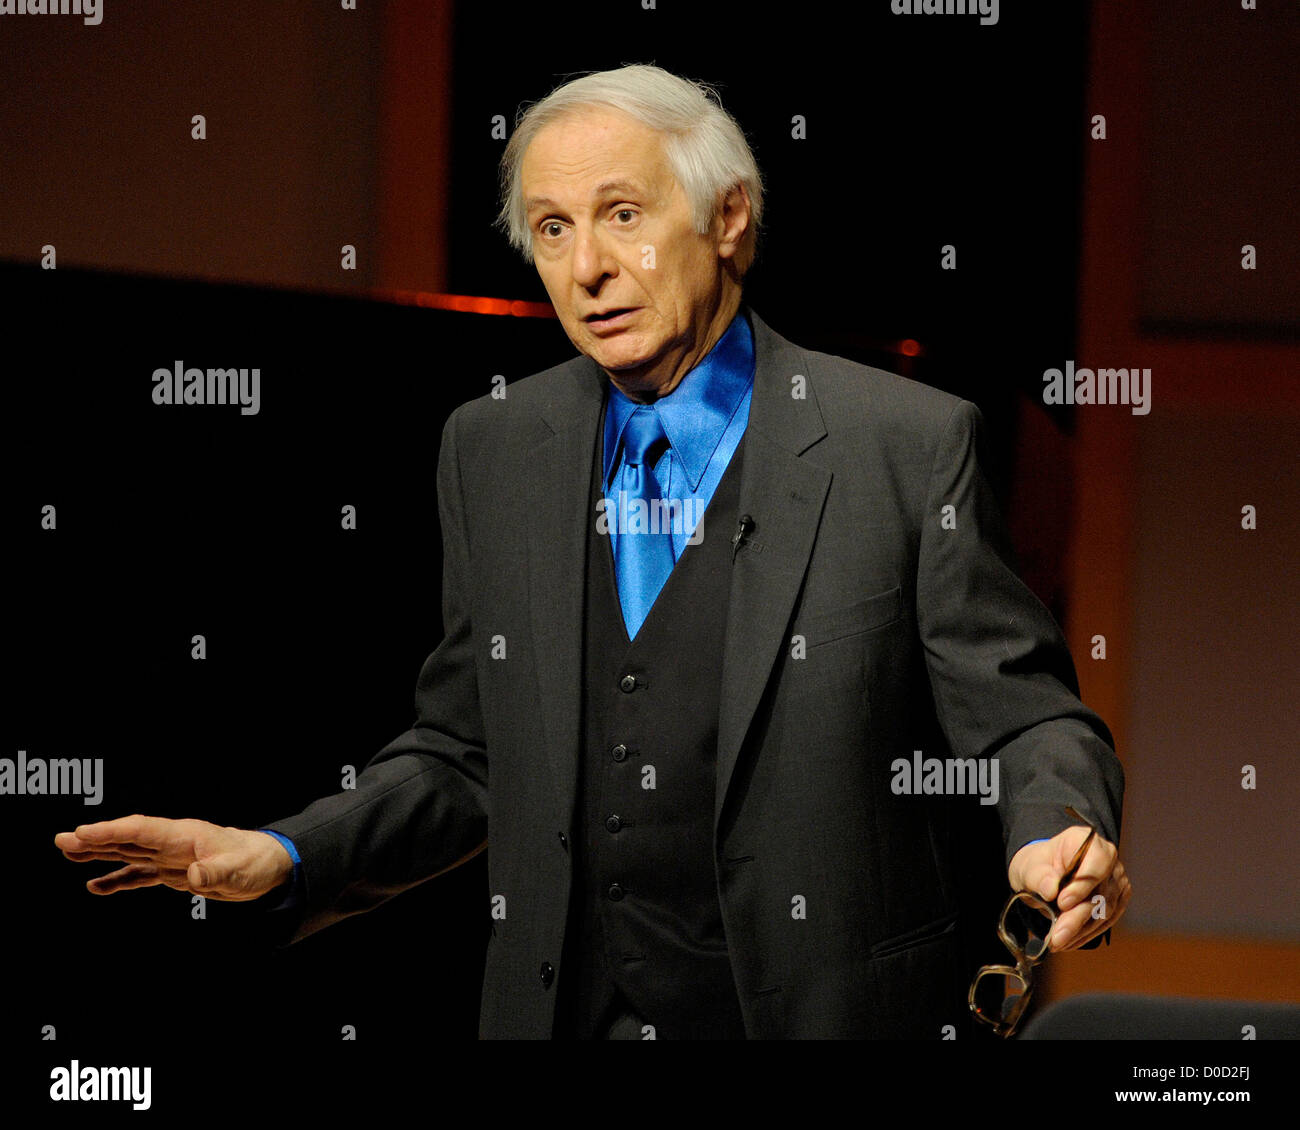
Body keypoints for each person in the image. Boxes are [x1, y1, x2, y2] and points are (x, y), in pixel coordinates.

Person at [55, 64, 1130, 1039]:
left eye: (621, 215)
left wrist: (1056, 830)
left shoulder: (901, 443)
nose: (588, 267)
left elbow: (1026, 710)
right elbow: (465, 752)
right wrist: (289, 852)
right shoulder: (493, 446)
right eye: (553, 229)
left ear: (728, 217)